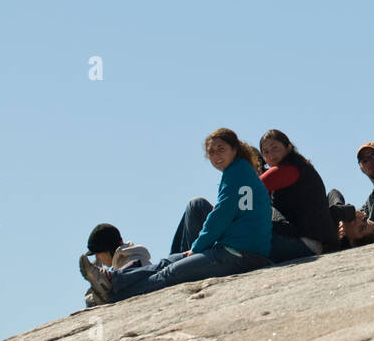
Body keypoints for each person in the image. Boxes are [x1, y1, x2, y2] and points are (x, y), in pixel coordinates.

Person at [80, 128, 273, 304]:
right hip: (232, 250)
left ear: (234, 149)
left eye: (221, 149)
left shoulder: (236, 174)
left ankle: (110, 297)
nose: (216, 155)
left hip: (241, 256)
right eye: (211, 152)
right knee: (168, 262)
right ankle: (111, 280)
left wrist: (197, 247)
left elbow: (221, 215)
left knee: (170, 273)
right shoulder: (239, 170)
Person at [258, 129, 339, 262]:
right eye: (266, 152)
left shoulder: (289, 169)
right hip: (306, 241)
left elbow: (248, 191)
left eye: (275, 148)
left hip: (306, 244)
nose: (271, 154)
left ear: (288, 147)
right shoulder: (298, 166)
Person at [78, 224, 152, 306]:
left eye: (98, 253)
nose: (97, 258)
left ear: (108, 249)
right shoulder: (118, 266)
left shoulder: (136, 261)